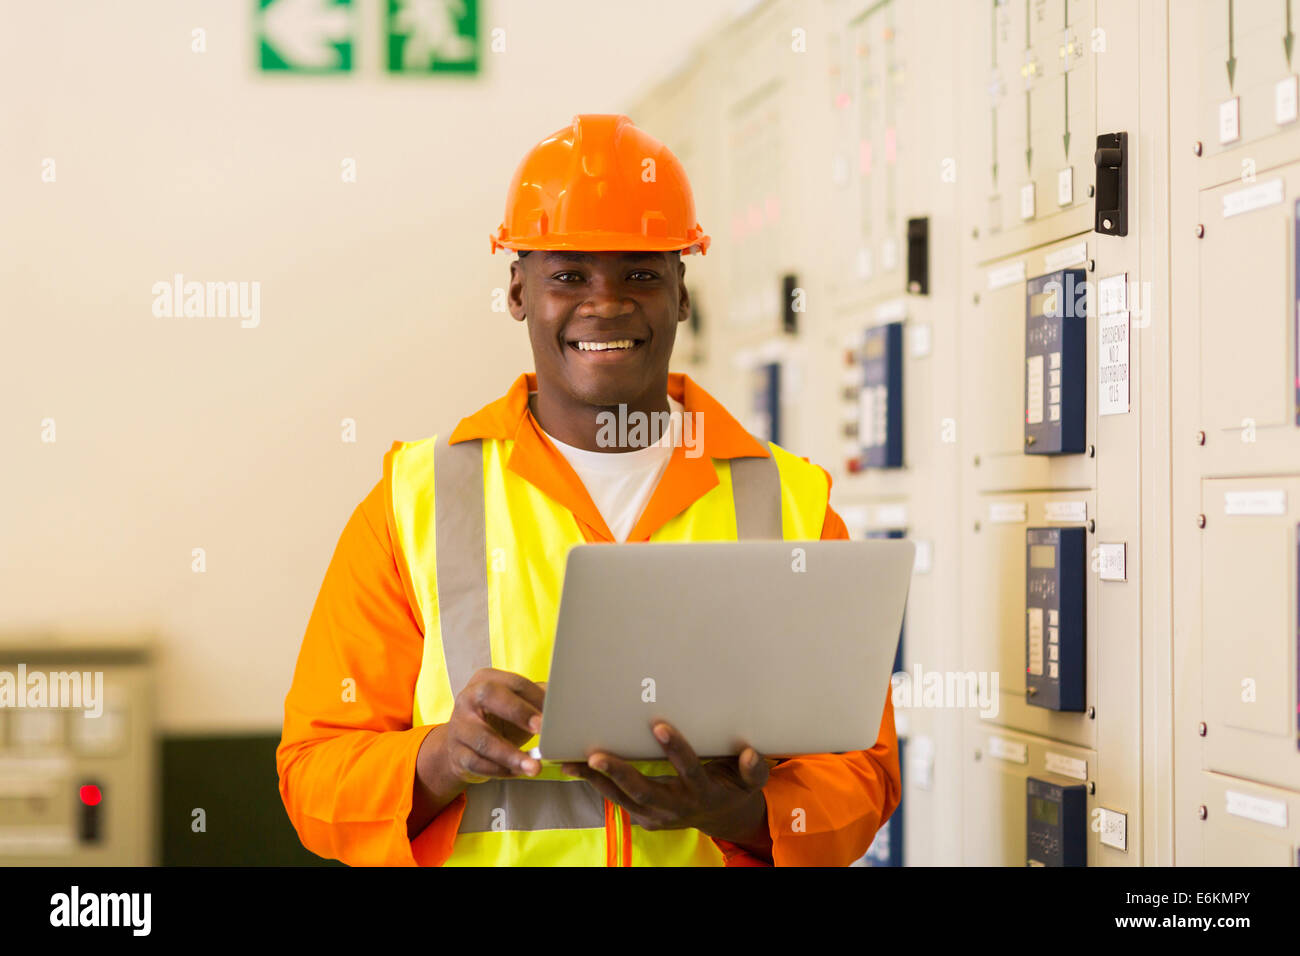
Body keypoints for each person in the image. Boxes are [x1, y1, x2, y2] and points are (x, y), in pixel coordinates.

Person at [276, 114, 900, 866]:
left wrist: (742, 813)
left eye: (640, 273)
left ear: (683, 294)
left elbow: (863, 772)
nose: (605, 303)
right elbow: (313, 774)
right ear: (517, 290)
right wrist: (440, 758)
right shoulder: (416, 502)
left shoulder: (790, 501)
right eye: (568, 274)